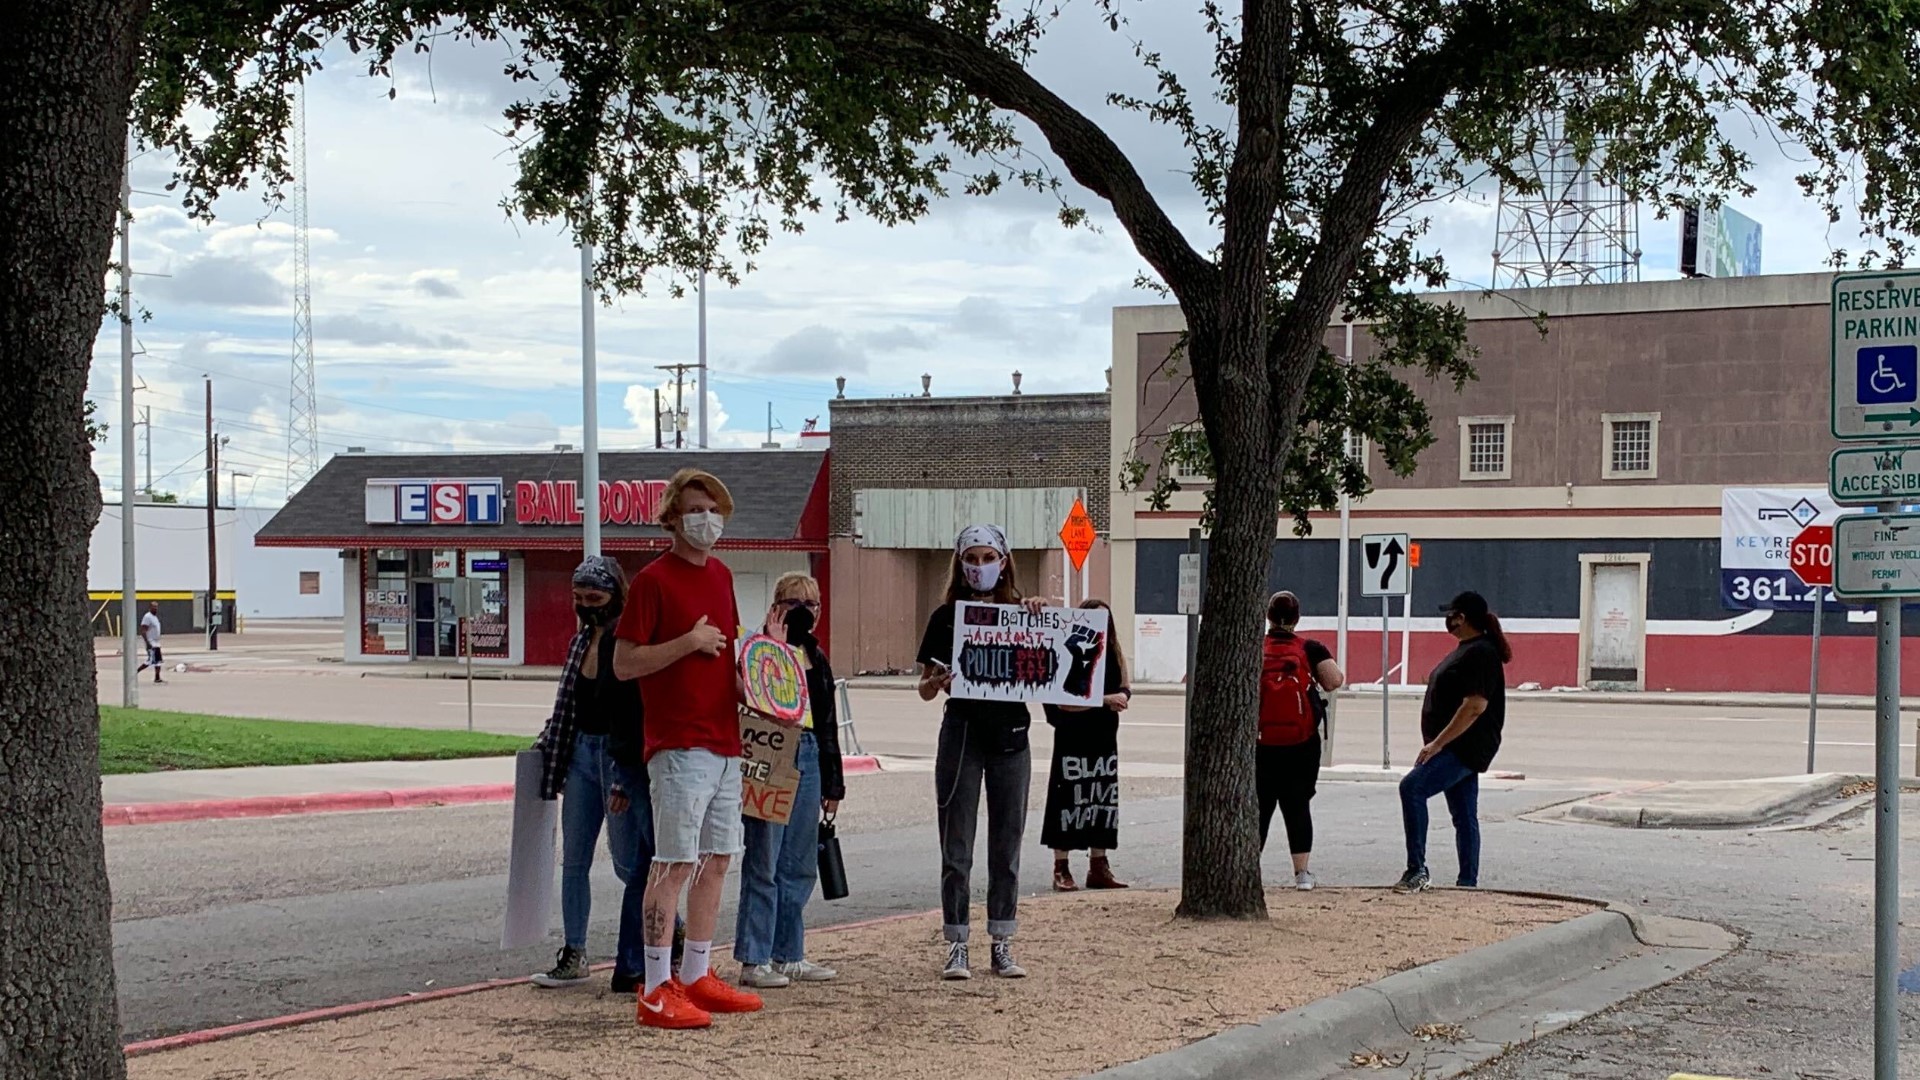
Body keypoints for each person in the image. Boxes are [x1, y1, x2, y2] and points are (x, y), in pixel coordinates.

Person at [613, 469, 771, 1029]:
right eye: (697, 509)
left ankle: (699, 972)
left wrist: (760, 684)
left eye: (715, 508)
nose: (709, 519)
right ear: (673, 518)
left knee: (718, 858)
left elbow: (724, 658)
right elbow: (624, 662)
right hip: (678, 743)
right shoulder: (654, 581)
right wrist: (688, 642)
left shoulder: (723, 575)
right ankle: (655, 986)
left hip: (725, 740)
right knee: (673, 863)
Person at [528, 557, 671, 990]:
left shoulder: (626, 643)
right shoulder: (579, 642)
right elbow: (567, 706)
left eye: (595, 598)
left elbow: (634, 710)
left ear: (615, 597)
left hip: (616, 757)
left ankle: (670, 923)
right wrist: (548, 746)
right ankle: (574, 952)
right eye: (578, 598)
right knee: (575, 859)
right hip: (579, 756)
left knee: (629, 862)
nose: (587, 606)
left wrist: (625, 774)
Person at [917, 524, 1045, 981]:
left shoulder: (1020, 613)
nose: (979, 566)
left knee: (1007, 843)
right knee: (957, 845)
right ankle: (956, 943)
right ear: (959, 563)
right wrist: (936, 681)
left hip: (1011, 736)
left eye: (988, 557)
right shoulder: (945, 618)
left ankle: (1002, 940)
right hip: (962, 735)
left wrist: (1038, 614)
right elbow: (925, 689)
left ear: (1004, 560)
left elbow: (1052, 662)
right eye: (971, 558)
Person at [734, 572, 846, 988]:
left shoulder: (816, 655)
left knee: (798, 863)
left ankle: (788, 952)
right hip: (774, 749)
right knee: (765, 857)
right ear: (777, 604)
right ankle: (754, 956)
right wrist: (775, 648)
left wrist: (834, 783)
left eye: (811, 604)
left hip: (811, 752)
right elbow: (752, 696)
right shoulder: (756, 648)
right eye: (794, 602)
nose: (804, 611)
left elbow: (830, 723)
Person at [1395, 591, 1511, 894]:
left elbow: (1475, 706)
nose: (1447, 620)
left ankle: (1417, 869)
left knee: (1412, 788)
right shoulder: (1468, 649)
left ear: (1463, 618)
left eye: (1452, 614)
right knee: (1463, 815)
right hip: (1457, 745)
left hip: (1462, 746)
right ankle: (1467, 883)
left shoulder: (1482, 653)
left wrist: (1437, 744)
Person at [1256, 591, 1344, 891]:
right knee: (1297, 806)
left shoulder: (1255, 647)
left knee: (1260, 806)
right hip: (1301, 744)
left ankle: (1248, 870)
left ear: (1268, 617)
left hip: (1260, 742)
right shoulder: (1309, 647)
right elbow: (1333, 680)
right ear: (1297, 618)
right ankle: (1302, 874)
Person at [1041, 598, 1130, 892]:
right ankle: (1061, 867)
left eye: (1105, 620)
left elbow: (1124, 685)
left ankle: (1099, 864)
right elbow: (1062, 703)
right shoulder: (1069, 651)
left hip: (1104, 736)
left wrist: (1123, 697)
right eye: (1093, 620)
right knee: (1066, 798)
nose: (1099, 627)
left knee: (1101, 798)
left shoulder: (1114, 652)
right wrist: (1104, 701)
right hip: (1072, 736)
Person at [135, 601, 164, 684]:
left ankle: (157, 677)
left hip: (157, 642)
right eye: (153, 607)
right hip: (151, 642)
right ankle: (135, 672)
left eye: (156, 607)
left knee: (158, 661)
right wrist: (147, 642)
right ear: (150, 607)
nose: (155, 608)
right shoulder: (147, 617)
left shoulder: (155, 617)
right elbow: (143, 630)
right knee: (150, 660)